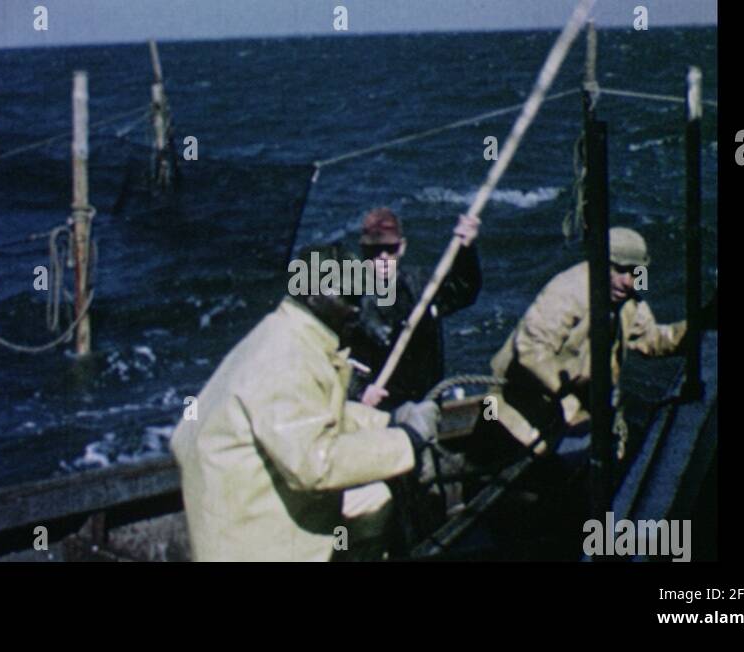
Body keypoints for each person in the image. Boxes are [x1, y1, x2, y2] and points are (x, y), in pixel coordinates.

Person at [170, 244, 441, 562]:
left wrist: (386, 422)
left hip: (246, 498)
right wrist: (407, 441)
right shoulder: (286, 359)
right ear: (313, 295)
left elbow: (317, 412)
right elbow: (315, 466)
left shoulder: (286, 332)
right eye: (348, 298)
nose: (357, 309)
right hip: (250, 538)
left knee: (373, 500)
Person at [487, 227, 686, 460]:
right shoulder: (567, 291)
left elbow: (650, 339)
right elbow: (531, 352)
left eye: (635, 272)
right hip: (520, 408)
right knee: (573, 467)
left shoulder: (629, 296)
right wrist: (576, 395)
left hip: (579, 405)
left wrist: (696, 328)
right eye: (620, 270)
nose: (628, 282)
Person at [348, 207, 482, 410]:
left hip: (424, 404)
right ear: (363, 250)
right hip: (375, 410)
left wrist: (466, 248)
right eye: (375, 250)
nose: (383, 257)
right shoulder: (350, 300)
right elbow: (336, 360)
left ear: (402, 247)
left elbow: (464, 291)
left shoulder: (421, 286)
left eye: (390, 249)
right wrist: (359, 392)